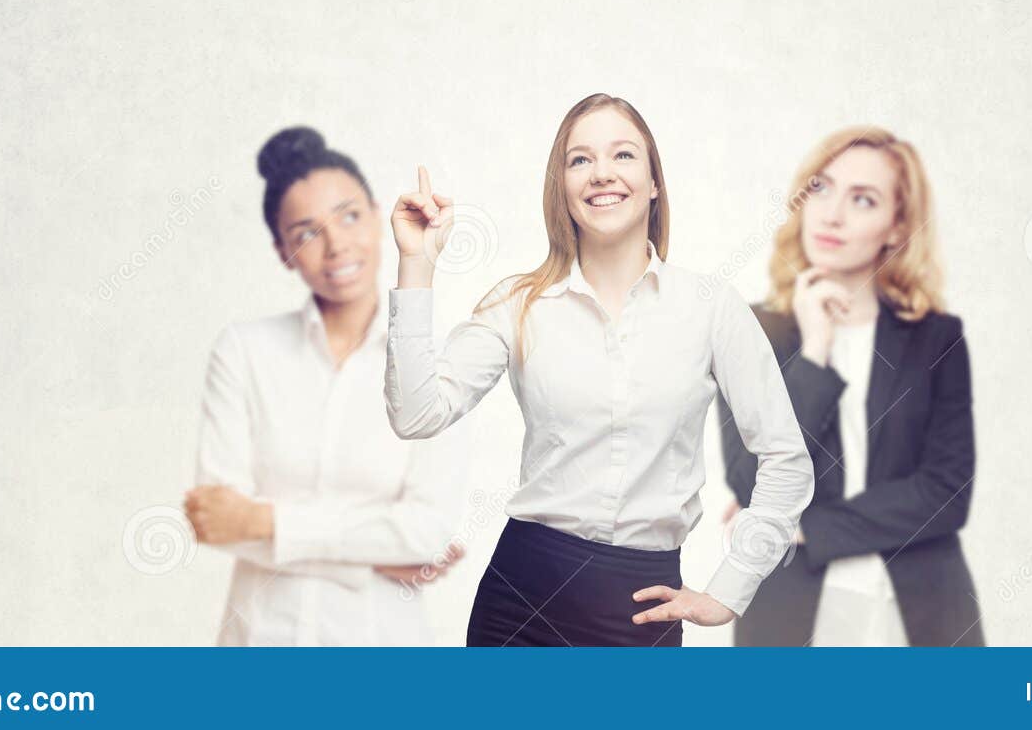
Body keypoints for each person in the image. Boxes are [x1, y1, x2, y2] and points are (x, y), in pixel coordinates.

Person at [384, 93, 814, 646]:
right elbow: (416, 415)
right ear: (560, 187)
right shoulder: (519, 303)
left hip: (639, 611)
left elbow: (786, 459)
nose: (601, 174)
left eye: (623, 155)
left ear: (654, 182)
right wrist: (416, 262)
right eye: (580, 159)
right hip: (519, 602)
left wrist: (731, 589)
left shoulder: (710, 307)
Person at [185, 127, 463, 646]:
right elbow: (216, 519)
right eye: (306, 233)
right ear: (281, 249)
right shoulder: (245, 351)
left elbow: (428, 533)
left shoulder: (435, 363)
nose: (335, 246)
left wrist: (266, 524)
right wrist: (378, 552)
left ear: (379, 217)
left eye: (350, 216)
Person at [719, 126, 983, 646]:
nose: (832, 213)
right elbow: (752, 481)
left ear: (896, 225)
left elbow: (946, 494)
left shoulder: (936, 339)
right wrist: (815, 351)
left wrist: (808, 528)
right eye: (820, 188)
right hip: (791, 614)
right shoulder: (749, 332)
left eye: (863, 199)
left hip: (921, 612)